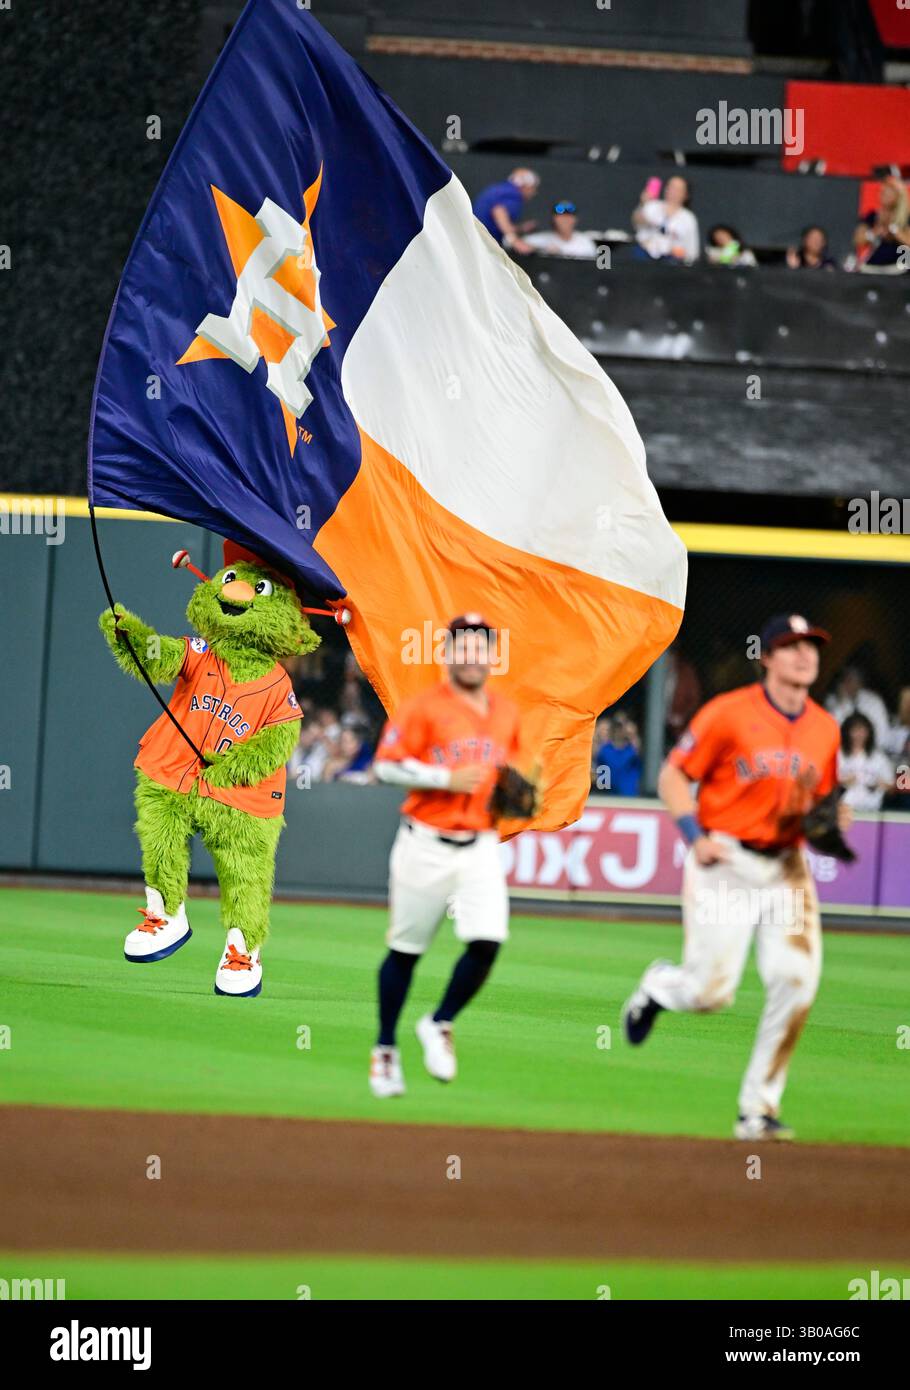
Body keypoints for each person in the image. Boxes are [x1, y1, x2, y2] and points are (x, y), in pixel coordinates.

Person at [621, 614, 852, 1142]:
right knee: (709, 994)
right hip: (726, 860)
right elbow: (673, 774)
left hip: (787, 867)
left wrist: (833, 819)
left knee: (796, 982)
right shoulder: (727, 714)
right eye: (790, 647)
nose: (804, 656)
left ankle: (758, 1110)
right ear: (766, 657)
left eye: (811, 646)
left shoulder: (825, 728)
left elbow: (823, 800)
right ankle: (658, 986)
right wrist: (692, 834)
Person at [368, 614, 524, 1097]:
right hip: (424, 842)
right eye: (463, 647)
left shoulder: (506, 713)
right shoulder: (423, 708)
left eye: (481, 648)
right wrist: (444, 780)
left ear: (492, 657)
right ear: (448, 654)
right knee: (406, 952)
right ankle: (385, 1050)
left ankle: (439, 1022)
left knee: (487, 941)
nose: (472, 656)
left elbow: (511, 773)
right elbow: (386, 768)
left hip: (478, 844)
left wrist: (517, 792)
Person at [632, 175, 699, 265]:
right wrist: (643, 204)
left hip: (672, 261)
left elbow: (692, 249)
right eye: (670, 187)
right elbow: (638, 222)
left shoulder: (688, 218)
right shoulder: (652, 206)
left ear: (686, 194)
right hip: (645, 254)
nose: (673, 191)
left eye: (678, 189)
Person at [849, 176, 910, 272]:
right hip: (874, 266)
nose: (883, 195)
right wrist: (874, 233)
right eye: (883, 192)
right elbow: (858, 239)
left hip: (899, 267)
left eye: (889, 192)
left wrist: (895, 232)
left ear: (898, 196)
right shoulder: (872, 216)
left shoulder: (906, 218)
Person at [472, 168, 540, 255]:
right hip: (482, 243)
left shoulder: (501, 189)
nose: (534, 192)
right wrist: (515, 242)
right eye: (534, 188)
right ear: (526, 186)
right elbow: (499, 212)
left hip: (478, 239)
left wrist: (521, 228)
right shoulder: (513, 194)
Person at [825, 665, 890, 753]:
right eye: (847, 680)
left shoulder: (874, 700)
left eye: (854, 680)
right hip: (843, 752)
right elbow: (831, 730)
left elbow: (883, 732)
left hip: (872, 751)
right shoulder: (832, 701)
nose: (850, 684)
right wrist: (842, 703)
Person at [837, 713, 893, 811]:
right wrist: (843, 781)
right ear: (847, 732)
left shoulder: (878, 757)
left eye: (863, 731)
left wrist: (879, 784)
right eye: (855, 730)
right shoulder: (839, 755)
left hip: (873, 808)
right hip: (843, 809)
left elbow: (891, 785)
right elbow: (829, 783)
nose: (859, 735)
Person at [525, 201, 598, 260]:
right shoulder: (536, 240)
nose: (565, 220)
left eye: (568, 216)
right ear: (553, 219)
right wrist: (541, 251)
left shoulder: (586, 242)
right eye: (561, 216)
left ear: (575, 219)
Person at [594, 713, 642, 795]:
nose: (618, 730)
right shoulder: (604, 749)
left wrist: (632, 733)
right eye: (616, 727)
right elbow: (593, 754)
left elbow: (639, 748)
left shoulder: (632, 750)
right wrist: (599, 731)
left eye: (621, 727)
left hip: (630, 798)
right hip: (607, 798)